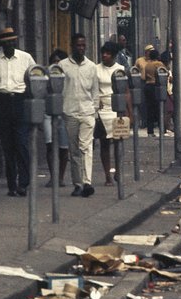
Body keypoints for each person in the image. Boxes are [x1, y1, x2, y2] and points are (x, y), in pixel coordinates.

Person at [0, 27, 35, 197]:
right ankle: (12, 184)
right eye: (5, 42)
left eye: (11, 41)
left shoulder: (26, 58)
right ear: (1, 44)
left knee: (21, 143)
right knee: (7, 146)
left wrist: (34, 105)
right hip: (1, 102)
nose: (9, 44)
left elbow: (36, 80)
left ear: (15, 42)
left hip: (20, 101)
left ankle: (24, 183)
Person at [60, 34, 99, 197]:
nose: (81, 48)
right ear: (72, 46)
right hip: (70, 112)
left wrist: (94, 111)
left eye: (83, 46)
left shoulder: (91, 67)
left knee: (86, 147)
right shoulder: (62, 65)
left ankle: (87, 182)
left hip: (87, 112)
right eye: (78, 45)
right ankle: (77, 184)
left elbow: (95, 91)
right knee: (74, 150)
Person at [95, 41, 128, 186]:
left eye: (108, 53)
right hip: (102, 108)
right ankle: (107, 175)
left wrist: (129, 112)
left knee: (118, 142)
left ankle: (119, 171)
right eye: (103, 53)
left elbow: (126, 91)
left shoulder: (120, 69)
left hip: (117, 107)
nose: (104, 56)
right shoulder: (96, 69)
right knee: (104, 143)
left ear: (113, 55)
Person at [43, 49, 69, 187]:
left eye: (59, 62)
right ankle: (53, 176)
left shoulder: (68, 77)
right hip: (48, 113)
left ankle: (61, 177)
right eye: (54, 62)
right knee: (50, 144)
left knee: (64, 147)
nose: (56, 65)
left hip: (63, 113)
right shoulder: (45, 77)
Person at [143, 49, 165, 136]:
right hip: (156, 86)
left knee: (150, 109)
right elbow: (164, 73)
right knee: (159, 108)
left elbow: (144, 76)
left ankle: (150, 131)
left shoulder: (147, 65)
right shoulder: (158, 64)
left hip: (148, 86)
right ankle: (162, 129)